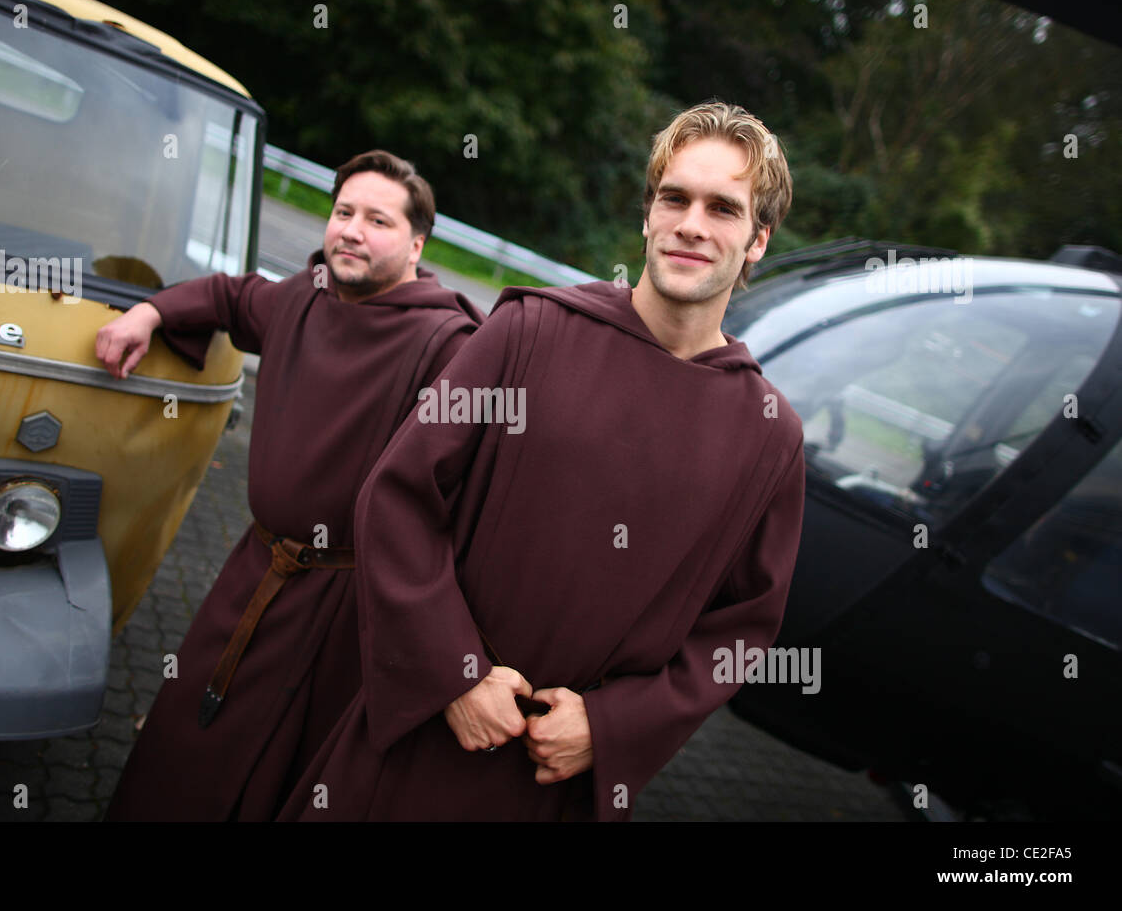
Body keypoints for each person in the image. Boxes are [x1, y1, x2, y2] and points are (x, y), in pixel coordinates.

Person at [277, 102, 805, 821]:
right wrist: (453, 673)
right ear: (648, 214)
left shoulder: (770, 435)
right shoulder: (528, 331)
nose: (691, 224)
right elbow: (398, 498)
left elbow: (741, 630)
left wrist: (613, 727)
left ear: (757, 241)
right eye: (675, 197)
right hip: (420, 743)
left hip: (558, 784)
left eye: (723, 208)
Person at [98, 150, 483, 821]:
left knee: (277, 778)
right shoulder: (302, 297)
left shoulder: (450, 344)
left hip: (346, 608)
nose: (352, 231)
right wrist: (150, 314)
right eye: (344, 213)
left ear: (417, 245)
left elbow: (473, 489)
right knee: (180, 746)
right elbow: (226, 295)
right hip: (255, 568)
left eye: (379, 221)